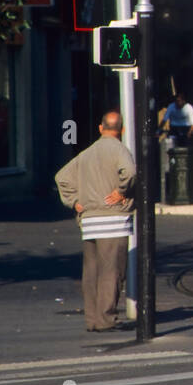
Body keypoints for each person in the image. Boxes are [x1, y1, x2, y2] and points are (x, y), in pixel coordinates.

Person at [54, 111, 136, 332]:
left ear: (101, 128)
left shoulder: (87, 153)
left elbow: (62, 177)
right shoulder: (120, 150)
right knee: (112, 271)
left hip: (89, 221)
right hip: (113, 219)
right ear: (122, 129)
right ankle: (106, 318)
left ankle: (92, 318)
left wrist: (75, 202)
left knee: (91, 272)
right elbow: (129, 172)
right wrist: (121, 191)